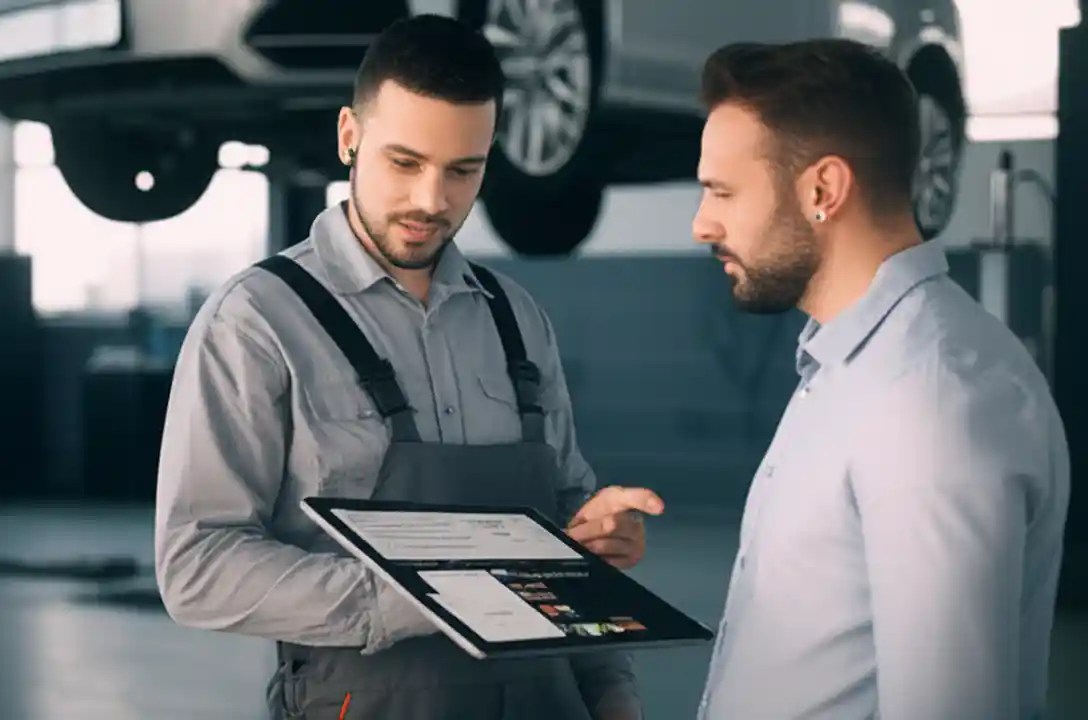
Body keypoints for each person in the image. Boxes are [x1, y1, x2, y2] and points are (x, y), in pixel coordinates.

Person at [154, 14, 662, 720]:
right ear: (349, 136)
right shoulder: (257, 323)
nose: (432, 200)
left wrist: (614, 692)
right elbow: (197, 566)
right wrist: (420, 598)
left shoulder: (517, 321)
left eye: (463, 171)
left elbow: (570, 549)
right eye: (404, 163)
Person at [690, 38, 1070, 719]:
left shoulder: (930, 402)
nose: (701, 224)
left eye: (722, 191)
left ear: (823, 191)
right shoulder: (854, 363)